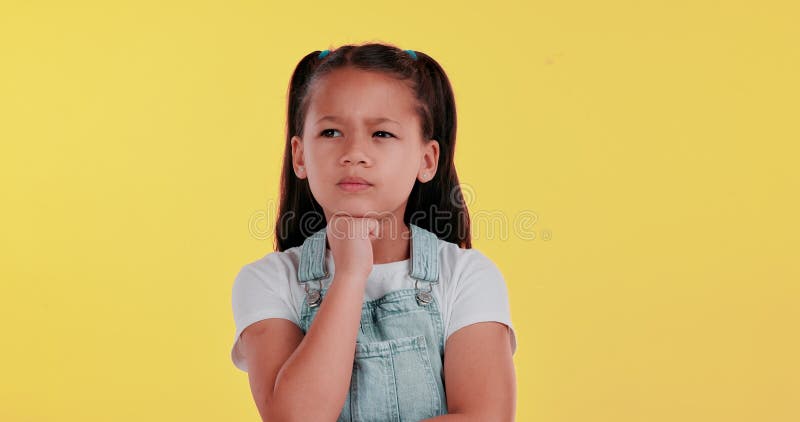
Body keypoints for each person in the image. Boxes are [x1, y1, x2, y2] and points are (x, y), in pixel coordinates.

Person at [230, 42, 517, 421]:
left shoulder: (466, 276)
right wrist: (350, 275)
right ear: (300, 156)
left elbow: (485, 416)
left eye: (381, 134)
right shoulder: (268, 281)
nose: (354, 153)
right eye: (331, 132)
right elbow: (295, 417)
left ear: (427, 160)